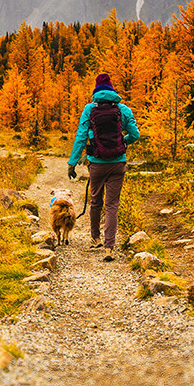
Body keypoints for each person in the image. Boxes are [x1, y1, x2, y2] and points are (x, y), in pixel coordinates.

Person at [67, 73, 141, 260]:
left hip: (97, 163)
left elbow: (81, 137)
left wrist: (72, 163)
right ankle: (109, 247)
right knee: (112, 205)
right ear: (111, 88)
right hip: (118, 163)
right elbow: (135, 134)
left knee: (95, 201)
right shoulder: (123, 109)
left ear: (96, 89)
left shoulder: (89, 110)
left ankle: (95, 238)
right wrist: (123, 140)